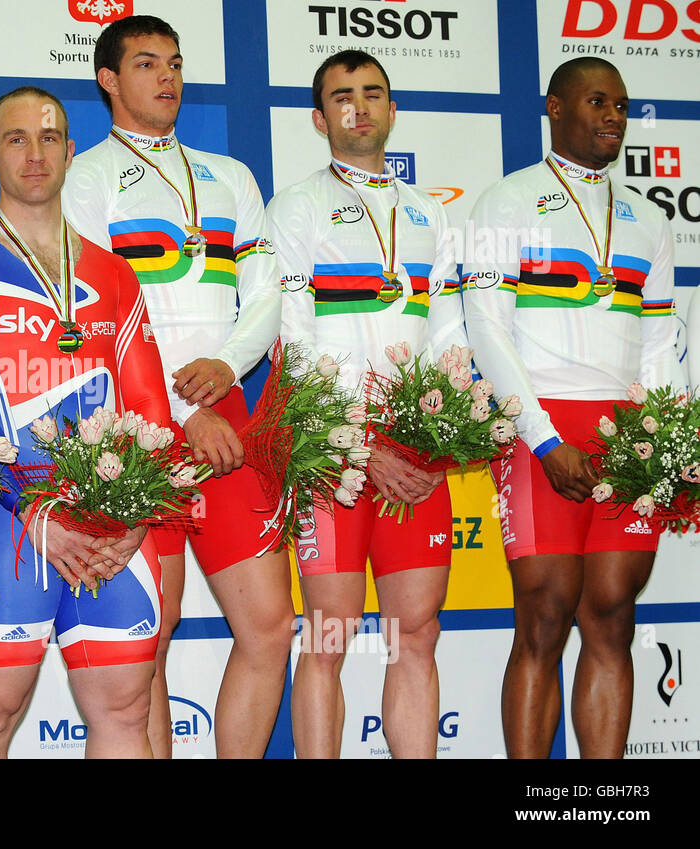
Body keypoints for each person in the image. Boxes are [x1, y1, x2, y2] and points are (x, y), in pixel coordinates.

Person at [61, 14, 293, 758]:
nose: (167, 76)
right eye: (147, 63)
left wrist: (226, 365)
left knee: (268, 626)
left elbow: (266, 295)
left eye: (175, 62)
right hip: (135, 427)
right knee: (148, 636)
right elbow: (92, 317)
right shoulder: (85, 178)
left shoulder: (231, 175)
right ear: (108, 79)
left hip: (225, 417)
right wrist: (178, 409)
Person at [0, 86, 171, 758]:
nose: (35, 154)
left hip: (110, 526)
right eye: (16, 139)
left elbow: (150, 408)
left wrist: (136, 517)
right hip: (8, 521)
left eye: (50, 137)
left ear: (69, 150)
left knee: (125, 709)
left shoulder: (115, 275)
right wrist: (40, 514)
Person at [464, 57, 678, 758]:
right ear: (555, 109)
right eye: (597, 102)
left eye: (620, 104)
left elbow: (659, 341)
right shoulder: (505, 201)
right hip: (541, 426)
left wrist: (665, 437)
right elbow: (487, 330)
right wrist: (544, 437)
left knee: (612, 616)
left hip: (626, 432)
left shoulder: (648, 218)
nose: (614, 116)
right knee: (545, 616)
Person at [266, 50, 468, 758]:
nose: (360, 106)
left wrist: (439, 434)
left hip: (414, 447)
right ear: (320, 119)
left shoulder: (428, 214)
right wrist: (361, 446)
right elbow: (290, 347)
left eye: (373, 92)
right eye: (342, 96)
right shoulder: (294, 207)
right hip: (334, 446)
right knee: (330, 631)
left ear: (391, 108)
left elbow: (448, 334)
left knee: (417, 631)